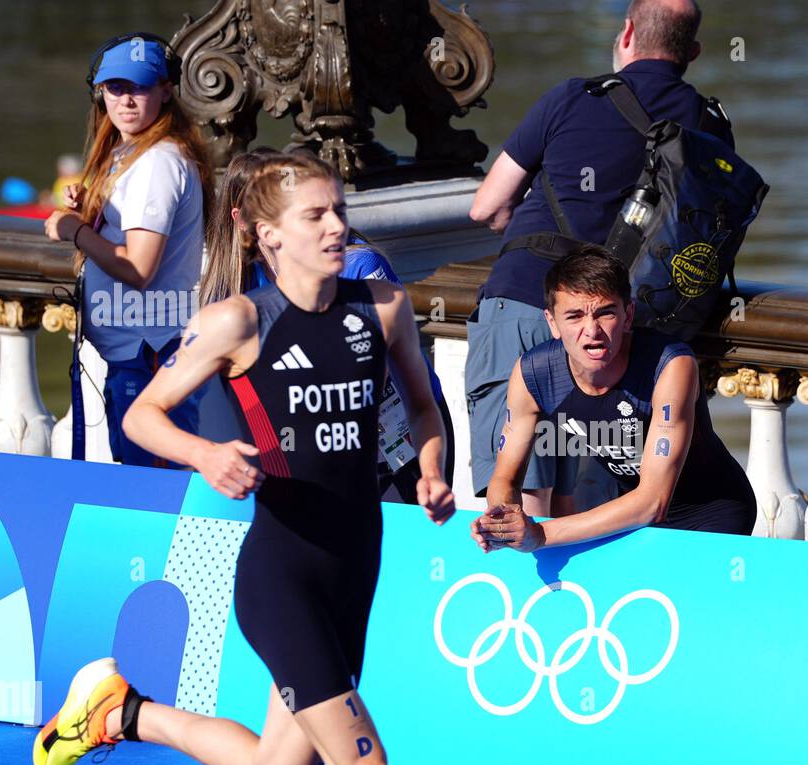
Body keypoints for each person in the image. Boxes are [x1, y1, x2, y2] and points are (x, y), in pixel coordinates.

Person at [32, 152, 455, 765]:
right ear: (269, 236)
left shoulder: (383, 307)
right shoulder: (236, 322)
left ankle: (123, 712)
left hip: (355, 571)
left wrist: (433, 468)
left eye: (339, 210)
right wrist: (205, 455)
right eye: (315, 215)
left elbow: (422, 407)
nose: (336, 227)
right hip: (282, 577)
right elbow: (143, 415)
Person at [466, 0, 732, 516]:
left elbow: (487, 206)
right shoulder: (708, 122)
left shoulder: (571, 97)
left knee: (520, 495)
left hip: (526, 301)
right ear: (692, 52)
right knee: (590, 507)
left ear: (627, 33)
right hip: (622, 336)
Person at [198, 148, 454, 499]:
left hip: (401, 435)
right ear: (248, 223)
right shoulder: (236, 291)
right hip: (308, 448)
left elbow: (370, 382)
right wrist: (207, 453)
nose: (333, 226)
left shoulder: (359, 265)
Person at [471, 246, 754, 553]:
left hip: (710, 513)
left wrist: (539, 534)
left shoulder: (670, 365)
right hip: (627, 510)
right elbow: (504, 477)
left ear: (628, 315)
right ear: (552, 323)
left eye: (605, 313)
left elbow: (652, 502)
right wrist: (503, 520)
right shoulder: (533, 374)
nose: (591, 331)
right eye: (574, 316)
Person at [44, 33, 213, 467]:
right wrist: (94, 211)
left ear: (166, 90)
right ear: (99, 91)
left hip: (149, 354)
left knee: (152, 491)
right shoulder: (133, 151)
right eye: (115, 88)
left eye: (139, 86)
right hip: (141, 352)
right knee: (141, 478)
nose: (126, 100)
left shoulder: (156, 163)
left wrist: (73, 231)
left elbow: (138, 267)